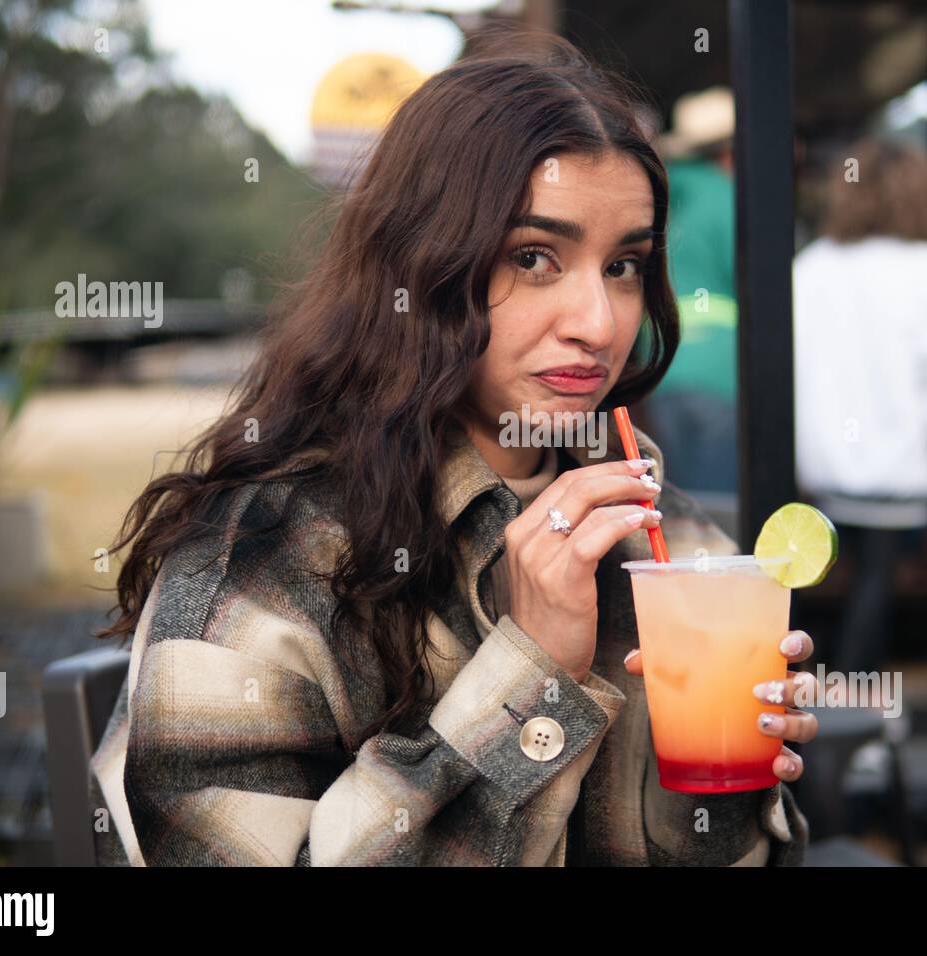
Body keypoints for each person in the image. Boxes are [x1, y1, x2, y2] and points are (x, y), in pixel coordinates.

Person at [86, 27, 813, 867]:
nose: (601, 323)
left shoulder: (663, 536)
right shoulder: (263, 562)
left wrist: (734, 777)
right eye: (535, 258)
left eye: (625, 266)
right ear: (425, 267)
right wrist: (530, 676)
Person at [793, 137, 927, 676]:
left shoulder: (809, 268)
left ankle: (806, 717)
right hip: (899, 469)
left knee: (806, 593)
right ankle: (854, 719)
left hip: (820, 469)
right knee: (876, 589)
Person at [641, 86, 739, 493]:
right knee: (719, 506)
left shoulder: (656, 197)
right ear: (732, 152)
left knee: (678, 499)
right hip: (722, 372)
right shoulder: (732, 197)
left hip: (662, 366)